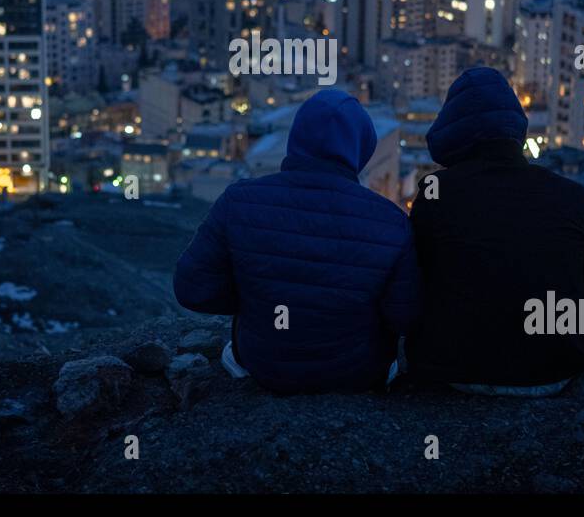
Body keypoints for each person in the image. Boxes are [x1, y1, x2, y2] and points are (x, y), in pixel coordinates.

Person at [174, 89, 420, 394]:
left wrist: (258, 298)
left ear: (296, 138)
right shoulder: (390, 221)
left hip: (262, 364)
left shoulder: (239, 200)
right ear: (361, 148)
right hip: (357, 372)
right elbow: (404, 317)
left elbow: (192, 289)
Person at [405, 67, 584, 395]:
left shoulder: (436, 192)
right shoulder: (569, 195)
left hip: (453, 370)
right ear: (516, 130)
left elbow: (413, 289)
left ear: (452, 135)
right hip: (556, 370)